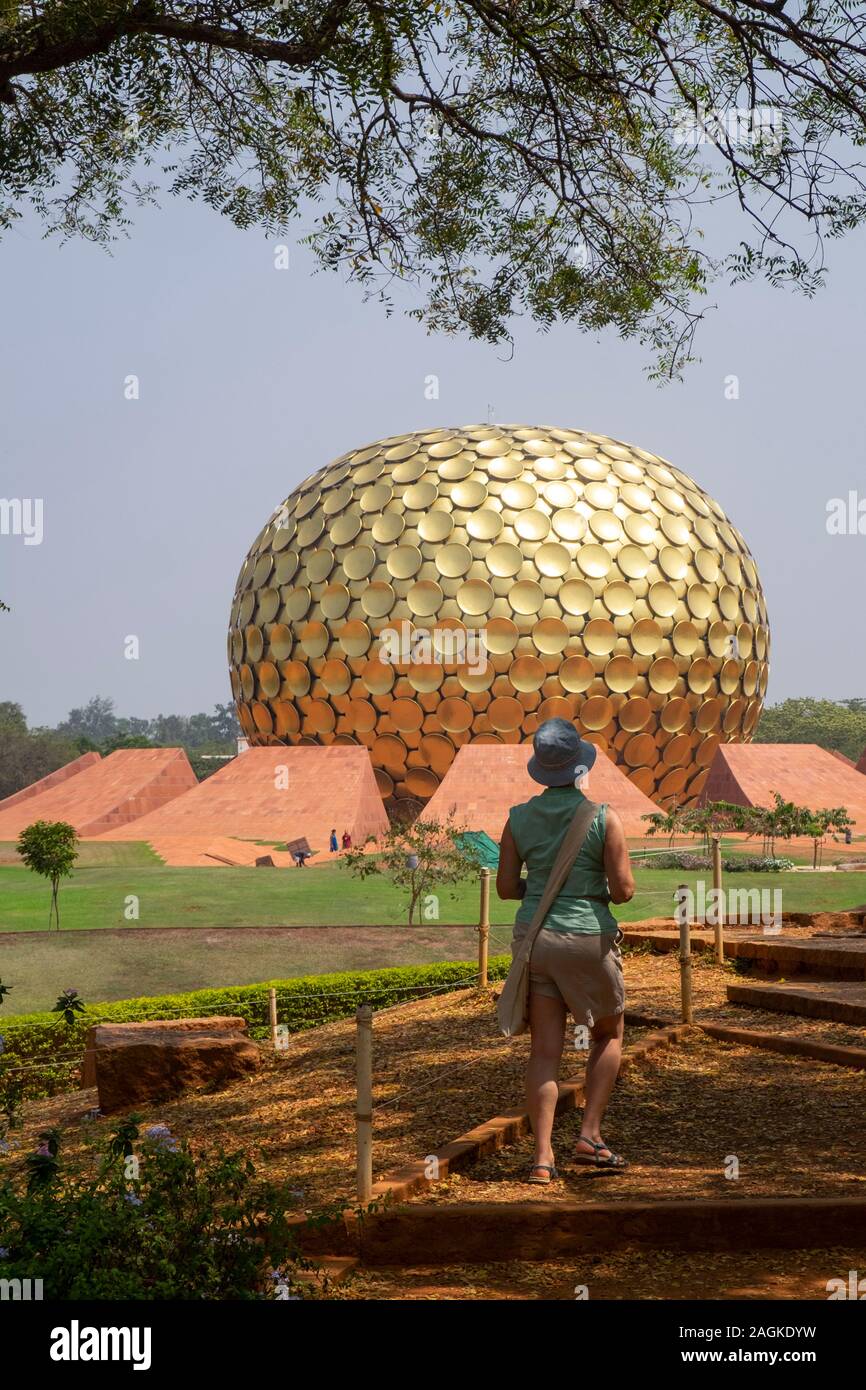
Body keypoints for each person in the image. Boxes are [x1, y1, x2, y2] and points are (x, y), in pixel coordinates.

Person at [497, 718, 635, 1185]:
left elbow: (505, 888)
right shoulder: (603, 817)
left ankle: (542, 1158)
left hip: (536, 941)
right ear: (580, 767)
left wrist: (540, 890)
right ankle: (589, 1136)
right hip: (586, 938)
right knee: (608, 1034)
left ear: (541, 769)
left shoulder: (517, 818)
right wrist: (589, 891)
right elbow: (624, 891)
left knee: (544, 1051)